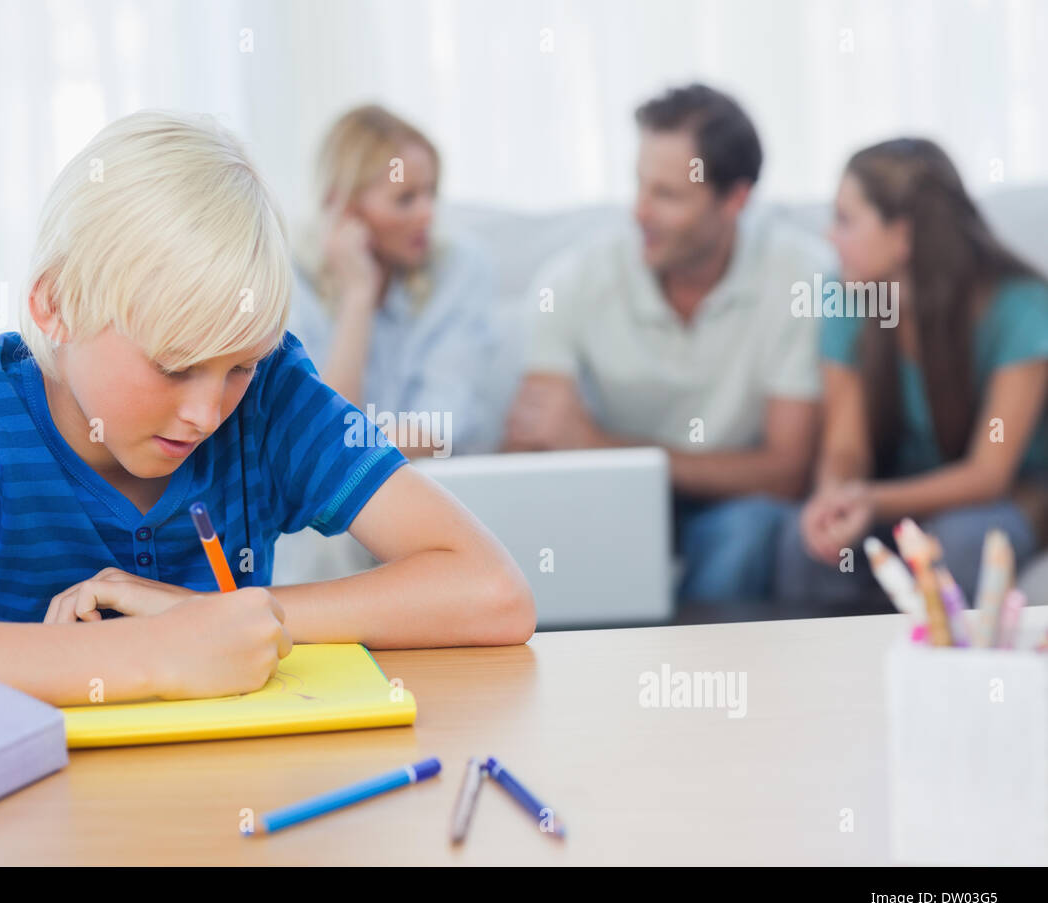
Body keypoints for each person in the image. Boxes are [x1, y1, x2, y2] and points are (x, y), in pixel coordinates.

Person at [0, 111, 535, 708]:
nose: (208, 411)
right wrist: (145, 656)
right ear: (55, 305)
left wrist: (222, 618)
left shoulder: (271, 399)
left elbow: (492, 594)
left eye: (238, 364)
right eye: (174, 365)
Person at [504, 84, 832, 603]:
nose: (639, 213)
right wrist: (591, 459)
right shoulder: (575, 279)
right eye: (639, 186)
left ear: (735, 200)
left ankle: (697, 675)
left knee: (749, 531)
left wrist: (599, 446)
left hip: (736, 502)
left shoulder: (803, 279)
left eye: (667, 195)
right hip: (614, 500)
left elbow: (787, 472)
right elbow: (531, 446)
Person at [774, 138, 1048, 603]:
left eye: (845, 220)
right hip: (890, 497)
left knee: (959, 544)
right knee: (803, 547)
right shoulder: (846, 297)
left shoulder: (1021, 310)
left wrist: (871, 499)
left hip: (1000, 500)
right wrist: (835, 498)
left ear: (903, 236)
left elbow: (988, 474)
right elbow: (845, 445)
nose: (829, 237)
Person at [289, 104, 507, 458]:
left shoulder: (461, 269)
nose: (428, 214)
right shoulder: (290, 283)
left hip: (441, 484)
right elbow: (319, 432)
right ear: (343, 208)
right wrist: (358, 296)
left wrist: (343, 447)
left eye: (431, 193)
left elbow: (436, 431)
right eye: (405, 199)